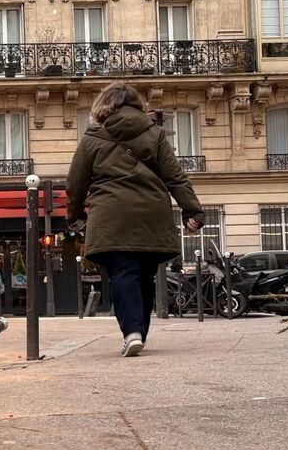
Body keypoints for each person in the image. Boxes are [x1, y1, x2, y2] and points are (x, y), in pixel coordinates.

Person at [66, 81, 204, 357]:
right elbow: (175, 177)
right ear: (136, 105)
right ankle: (140, 332)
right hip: (152, 214)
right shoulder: (155, 134)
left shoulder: (93, 138)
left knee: (122, 273)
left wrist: (75, 216)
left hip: (111, 215)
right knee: (145, 276)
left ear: (104, 106)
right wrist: (193, 211)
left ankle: (132, 332)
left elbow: (75, 184)